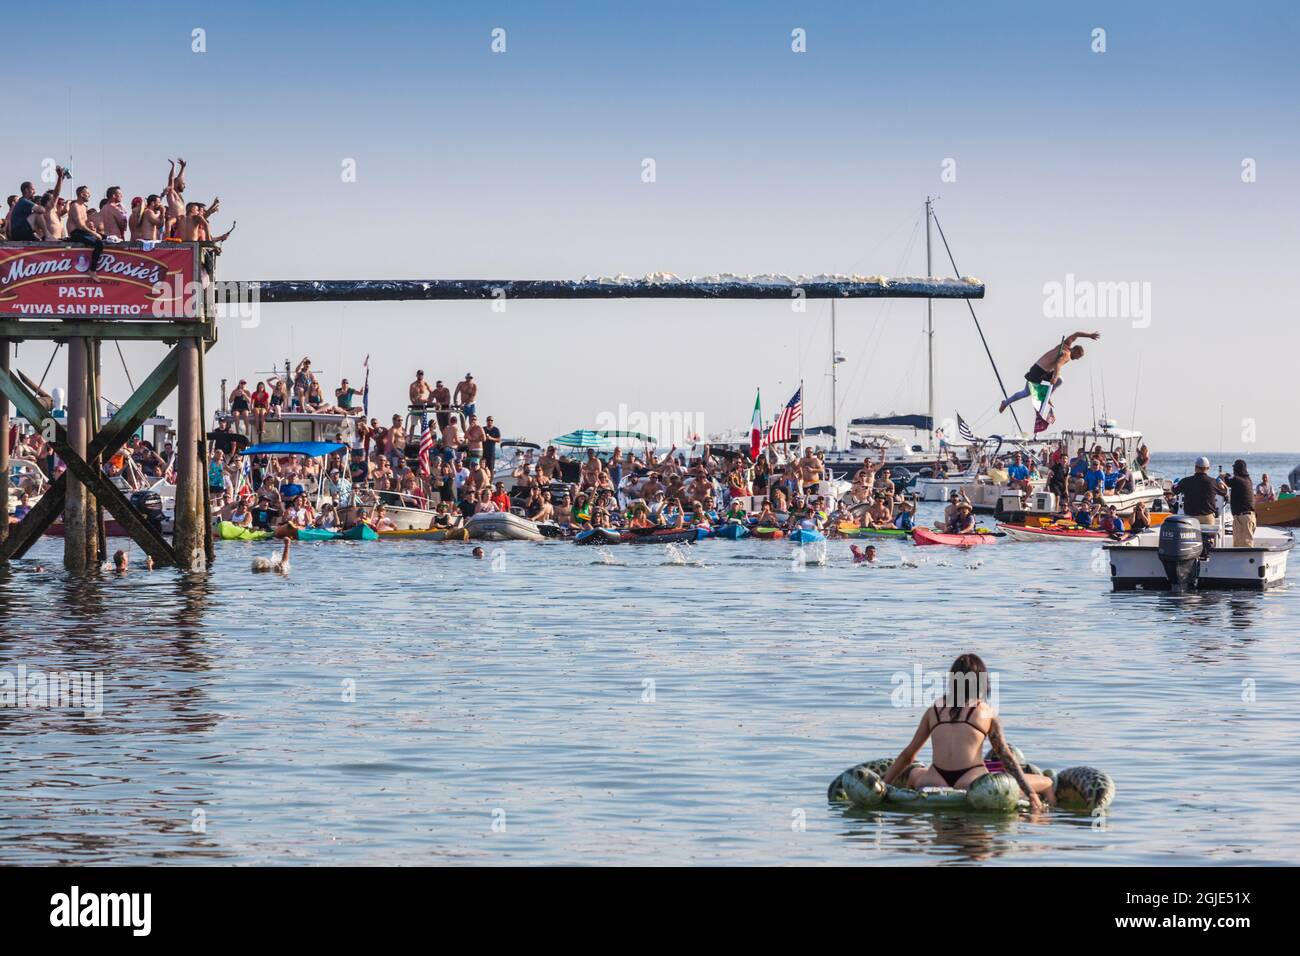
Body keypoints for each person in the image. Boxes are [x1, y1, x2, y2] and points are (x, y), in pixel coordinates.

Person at [881, 653, 1052, 811]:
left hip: (934, 780)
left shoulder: (934, 710)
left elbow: (908, 755)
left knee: (914, 773)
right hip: (971, 782)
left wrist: (883, 786)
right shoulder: (985, 711)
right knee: (1047, 782)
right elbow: (1005, 757)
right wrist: (1030, 794)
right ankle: (1041, 814)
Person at [999, 331, 1101, 413]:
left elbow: (1076, 334)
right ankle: (1005, 402)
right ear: (1076, 351)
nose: (1077, 359)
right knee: (1026, 392)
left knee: (1060, 380)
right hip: (1038, 371)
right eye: (1078, 357)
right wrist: (1055, 377)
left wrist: (1090, 335)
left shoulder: (1065, 344)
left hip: (1044, 370)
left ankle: (1047, 397)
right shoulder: (1067, 355)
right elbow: (1058, 364)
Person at [1173, 457, 1228, 526]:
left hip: (1190, 517)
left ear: (1195, 467)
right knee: (1210, 535)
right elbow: (1224, 491)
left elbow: (1175, 490)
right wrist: (1221, 482)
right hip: (1207, 517)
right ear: (1208, 468)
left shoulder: (1186, 481)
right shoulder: (1213, 482)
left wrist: (1175, 483)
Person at [65, 185, 104, 280]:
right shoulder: (75, 206)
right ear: (82, 194)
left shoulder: (84, 207)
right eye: (87, 194)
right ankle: (92, 270)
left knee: (105, 238)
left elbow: (84, 223)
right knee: (99, 244)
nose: (89, 196)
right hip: (75, 233)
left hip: (82, 232)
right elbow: (79, 225)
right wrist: (94, 233)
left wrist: (91, 225)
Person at [1225, 459, 1256, 547]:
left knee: (1244, 547)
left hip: (1243, 519)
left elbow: (1228, 481)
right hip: (1248, 517)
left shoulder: (1237, 480)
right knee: (1241, 545)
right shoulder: (1247, 479)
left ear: (1236, 469)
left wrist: (1223, 476)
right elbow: (1233, 479)